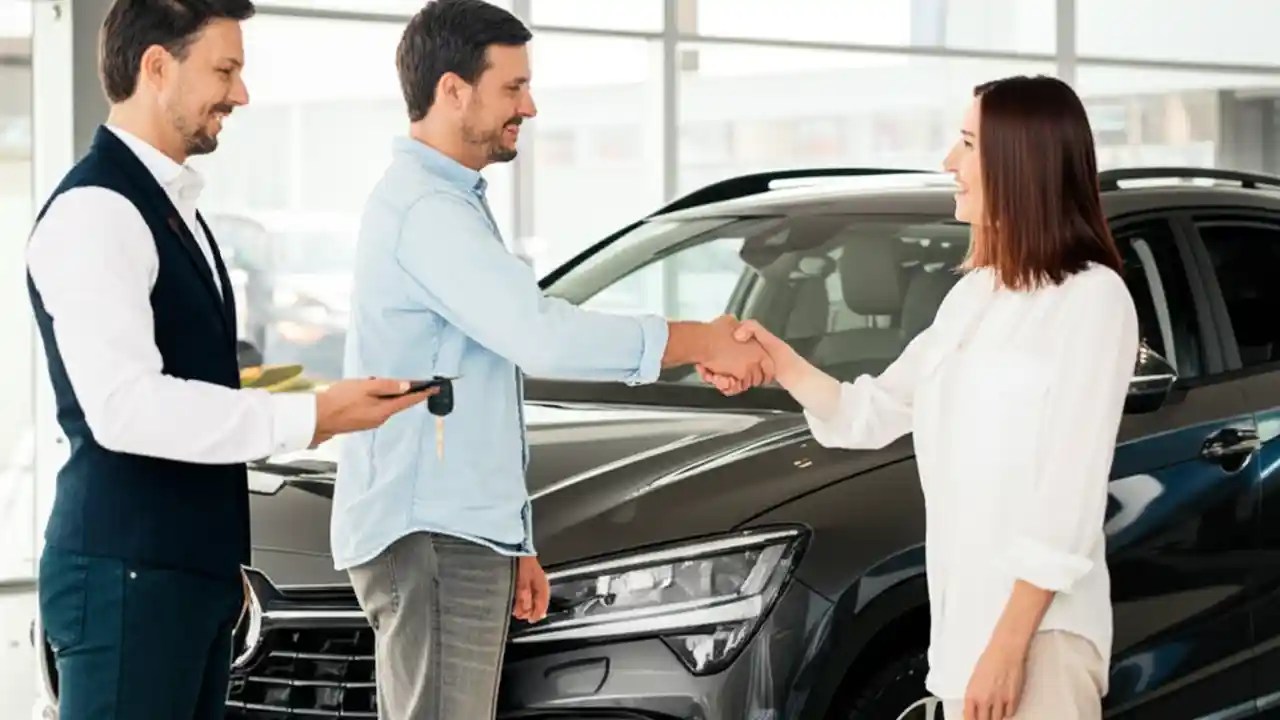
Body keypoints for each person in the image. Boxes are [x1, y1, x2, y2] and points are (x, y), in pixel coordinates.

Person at [333, 1, 771, 717]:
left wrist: (514, 539)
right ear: (452, 90)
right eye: (512, 88)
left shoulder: (444, 202)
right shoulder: (428, 213)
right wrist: (698, 340)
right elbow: (540, 338)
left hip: (455, 531)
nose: (529, 107)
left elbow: (481, 386)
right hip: (433, 536)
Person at [25, 2, 434, 718]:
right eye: (225, 69)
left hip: (182, 578)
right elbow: (126, 409)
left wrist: (219, 564)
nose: (240, 94)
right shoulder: (97, 212)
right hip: (127, 580)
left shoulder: (175, 207)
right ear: (157, 67)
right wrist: (315, 414)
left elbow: (190, 385)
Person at [701, 75, 1137, 720]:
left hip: (1038, 640)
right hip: (964, 638)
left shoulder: (1091, 299)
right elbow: (867, 414)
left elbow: (1067, 500)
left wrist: (1007, 648)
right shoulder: (973, 296)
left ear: (1021, 162)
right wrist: (779, 360)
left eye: (967, 144)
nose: (949, 163)